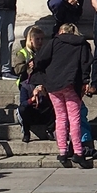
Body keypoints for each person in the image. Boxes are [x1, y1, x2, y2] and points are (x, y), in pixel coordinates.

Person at [34, 23, 92, 169]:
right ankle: (78, 152)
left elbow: (40, 60)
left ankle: (62, 151)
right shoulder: (81, 44)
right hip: (71, 84)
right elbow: (86, 65)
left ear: (61, 31)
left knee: (60, 118)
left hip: (53, 85)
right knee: (74, 118)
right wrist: (85, 81)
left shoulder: (54, 42)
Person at [13, 26, 55, 143]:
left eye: (42, 39)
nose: (40, 42)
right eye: (37, 39)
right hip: (27, 83)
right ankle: (26, 132)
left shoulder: (45, 51)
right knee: (24, 108)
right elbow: (17, 69)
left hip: (42, 82)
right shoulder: (23, 53)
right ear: (30, 40)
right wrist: (27, 65)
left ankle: (50, 130)